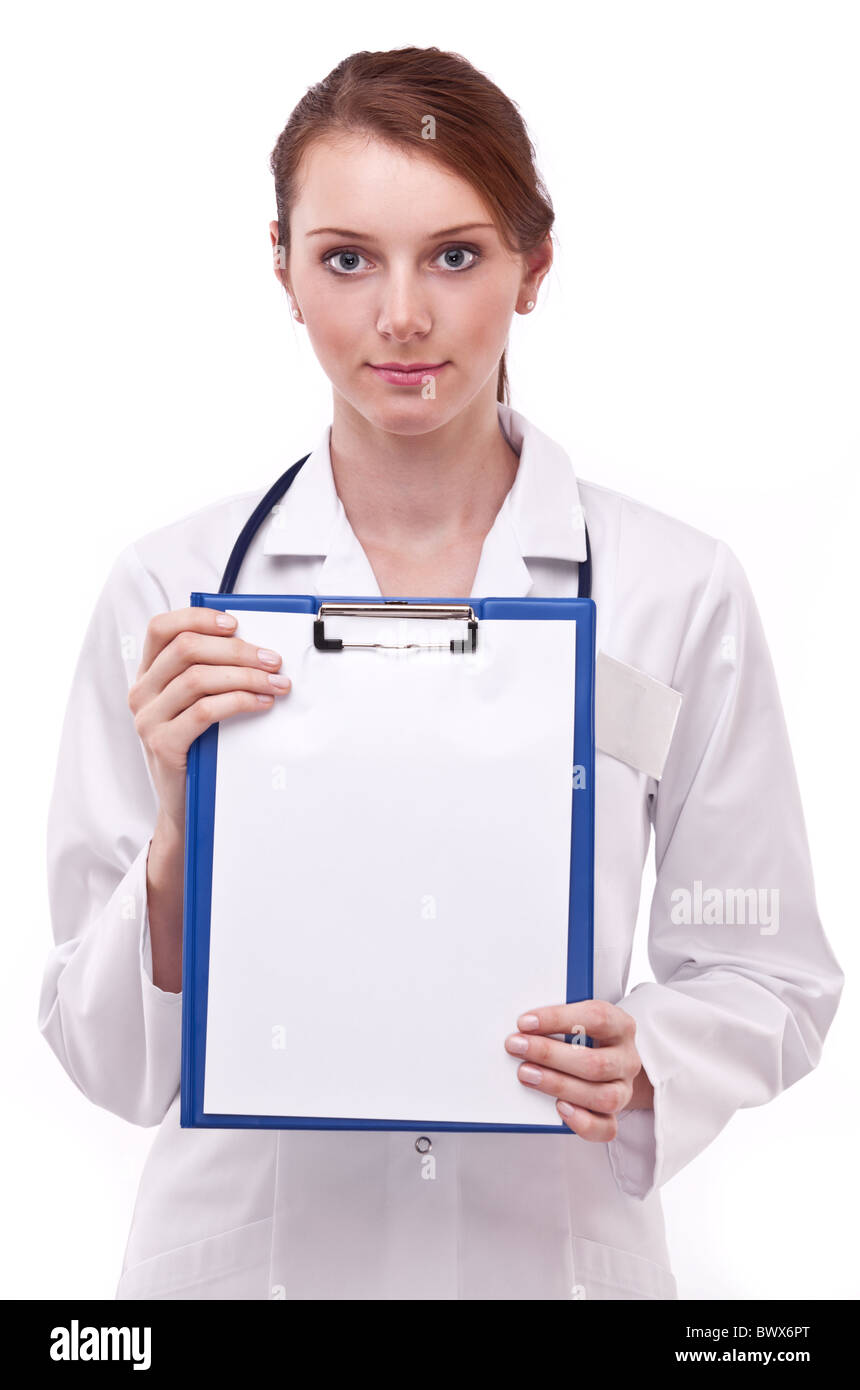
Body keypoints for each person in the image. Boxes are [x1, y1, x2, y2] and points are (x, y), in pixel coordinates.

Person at [39, 45, 843, 1301]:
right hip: (248, 1271)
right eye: (346, 257)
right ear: (283, 270)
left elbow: (769, 967)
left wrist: (653, 1056)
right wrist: (179, 839)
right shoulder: (173, 597)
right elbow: (105, 1062)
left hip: (545, 1267)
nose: (400, 316)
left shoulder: (670, 592)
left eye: (454, 255)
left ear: (533, 266)